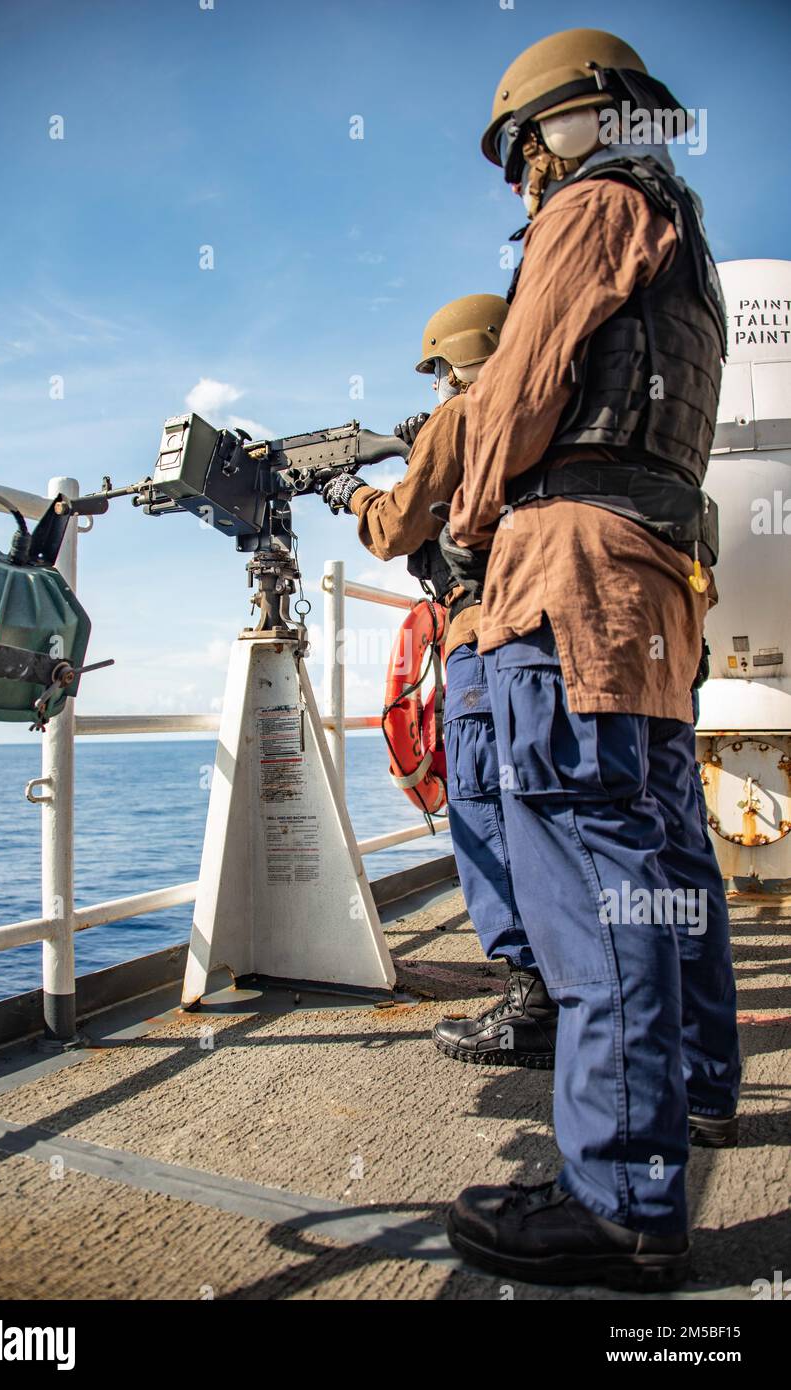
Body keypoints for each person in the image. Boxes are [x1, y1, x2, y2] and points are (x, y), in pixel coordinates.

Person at [443, 28, 740, 1290]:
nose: (522, 184)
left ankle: (622, 1198)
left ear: (576, 120)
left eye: (522, 151)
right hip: (654, 585)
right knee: (668, 855)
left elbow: (517, 390)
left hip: (569, 577)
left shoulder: (596, 201)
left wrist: (466, 517)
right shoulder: (690, 239)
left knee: (592, 876)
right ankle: (699, 1092)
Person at [322, 295, 557, 1069]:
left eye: (437, 373)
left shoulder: (465, 413)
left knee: (484, 804)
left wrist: (346, 492)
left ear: (458, 362)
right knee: (558, 808)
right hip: (555, 628)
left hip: (482, 633)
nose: (433, 389)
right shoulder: (554, 400)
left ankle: (531, 994)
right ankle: (583, 980)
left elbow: (394, 529)